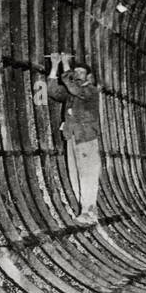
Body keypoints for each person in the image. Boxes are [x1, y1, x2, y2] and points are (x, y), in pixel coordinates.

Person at [46, 56, 101, 224]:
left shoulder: (90, 90)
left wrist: (66, 63)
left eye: (81, 72)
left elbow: (72, 85)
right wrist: (55, 65)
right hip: (73, 136)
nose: (77, 73)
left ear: (89, 77)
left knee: (88, 175)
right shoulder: (72, 93)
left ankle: (89, 211)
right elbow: (52, 90)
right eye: (75, 71)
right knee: (75, 174)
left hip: (86, 137)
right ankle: (85, 211)